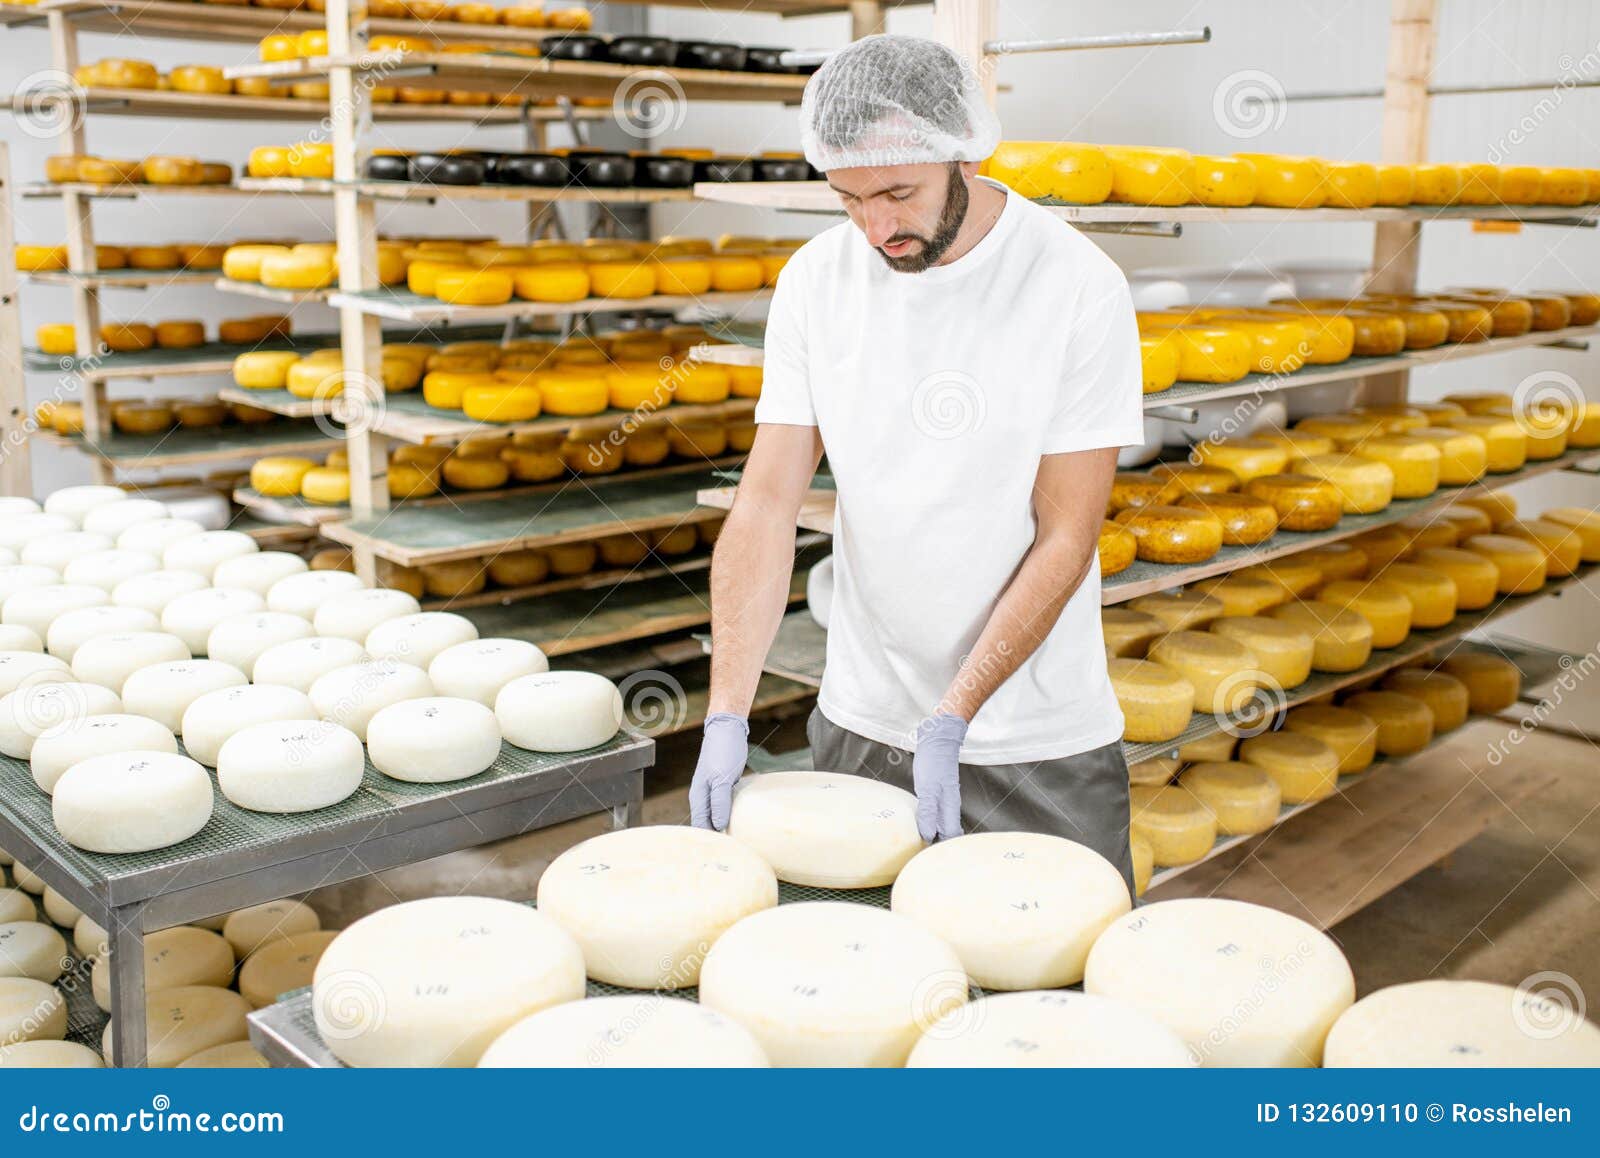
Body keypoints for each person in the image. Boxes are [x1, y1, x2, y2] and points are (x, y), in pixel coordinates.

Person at [688, 34, 1144, 891]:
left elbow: (1067, 535)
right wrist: (726, 711)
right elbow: (766, 505)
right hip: (863, 722)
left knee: (1061, 962)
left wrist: (954, 715)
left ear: (963, 153)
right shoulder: (816, 282)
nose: (877, 228)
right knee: (862, 961)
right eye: (849, 199)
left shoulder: (1076, 285)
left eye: (899, 193)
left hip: (1035, 737)